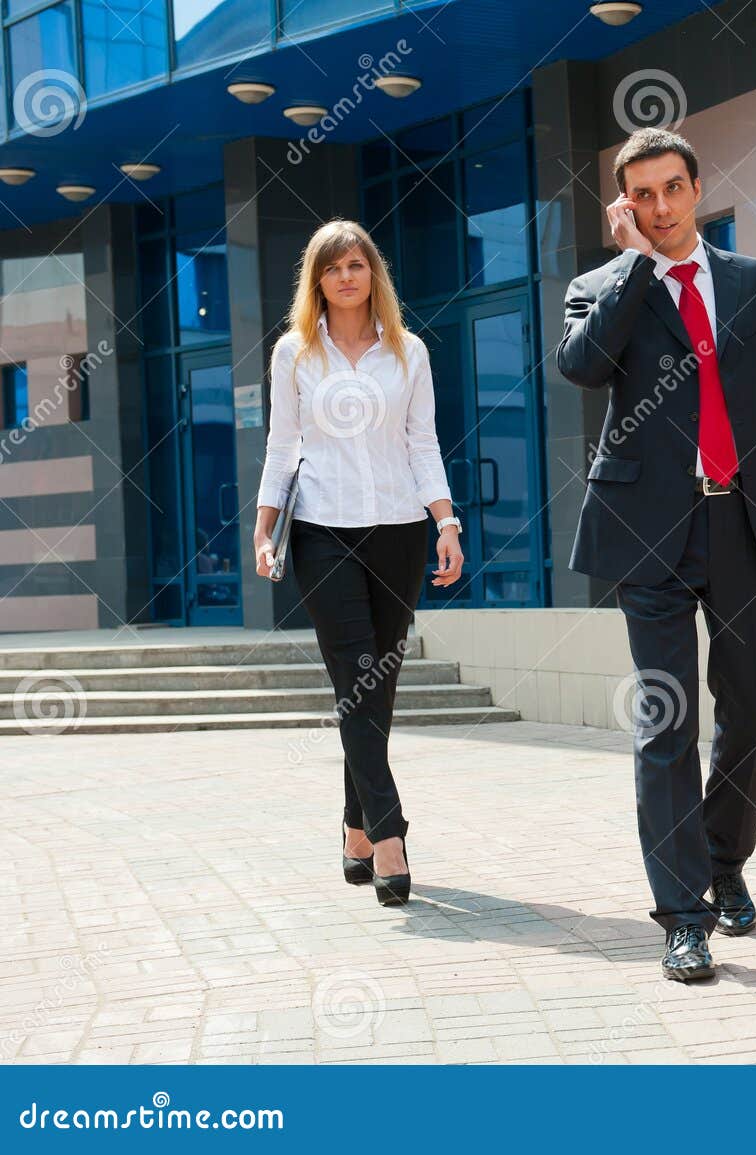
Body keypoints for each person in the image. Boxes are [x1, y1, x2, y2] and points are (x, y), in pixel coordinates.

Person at [556, 128, 756, 981]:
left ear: (697, 188)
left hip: (742, 526)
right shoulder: (600, 288)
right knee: (665, 719)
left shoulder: (752, 283)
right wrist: (636, 267)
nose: (661, 207)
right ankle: (682, 915)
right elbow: (583, 367)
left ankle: (723, 860)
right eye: (642, 194)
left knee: (752, 707)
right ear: (623, 204)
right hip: (647, 535)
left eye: (673, 188)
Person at [253, 219, 465, 907]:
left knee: (378, 683)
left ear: (373, 274)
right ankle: (390, 834)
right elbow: (282, 446)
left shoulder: (409, 352)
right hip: (321, 531)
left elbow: (423, 442)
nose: (345, 277)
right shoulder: (294, 353)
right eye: (332, 267)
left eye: (356, 265)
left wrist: (446, 522)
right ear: (316, 280)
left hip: (399, 531)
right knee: (355, 673)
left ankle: (354, 826)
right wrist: (263, 530)